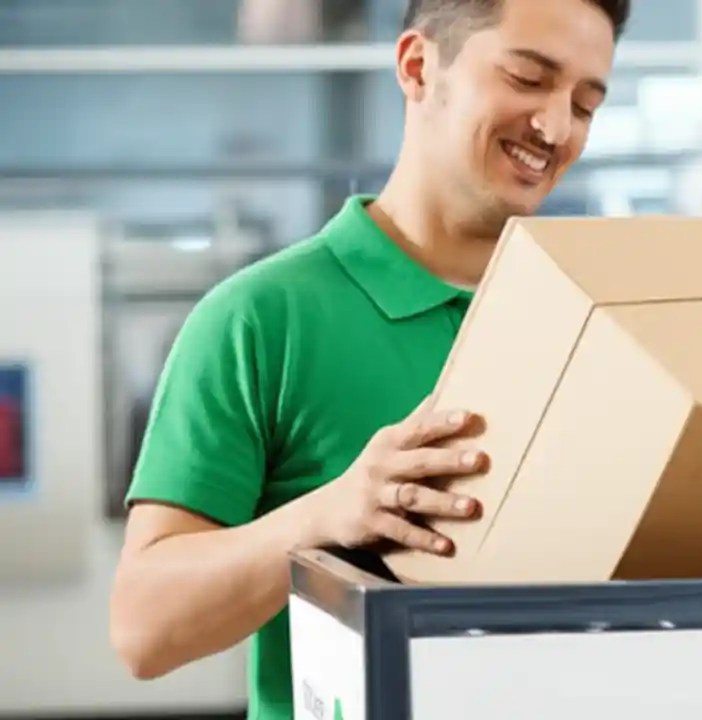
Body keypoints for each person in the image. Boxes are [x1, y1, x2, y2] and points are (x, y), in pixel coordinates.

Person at [108, 1, 630, 718]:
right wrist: (326, 515)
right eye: (527, 78)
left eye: (585, 103)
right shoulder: (259, 319)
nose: (556, 127)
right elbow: (143, 631)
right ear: (419, 67)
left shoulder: (599, 325)